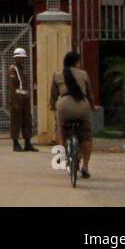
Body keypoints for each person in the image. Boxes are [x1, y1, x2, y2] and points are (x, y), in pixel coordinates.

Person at [50, 50, 95, 178]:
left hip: (64, 106)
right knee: (86, 136)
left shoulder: (57, 74)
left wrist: (53, 106)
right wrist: (92, 107)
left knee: (60, 127)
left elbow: (53, 96)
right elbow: (90, 95)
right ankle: (85, 166)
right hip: (82, 106)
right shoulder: (84, 74)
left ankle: (61, 153)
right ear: (76, 62)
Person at [7, 47, 37, 152]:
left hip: (25, 98)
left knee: (27, 120)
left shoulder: (22, 69)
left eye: (23, 58)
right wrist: (14, 101)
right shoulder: (13, 69)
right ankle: (15, 143)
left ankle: (27, 142)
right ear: (16, 58)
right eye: (20, 58)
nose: (22, 60)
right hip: (17, 97)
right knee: (16, 120)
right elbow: (11, 86)